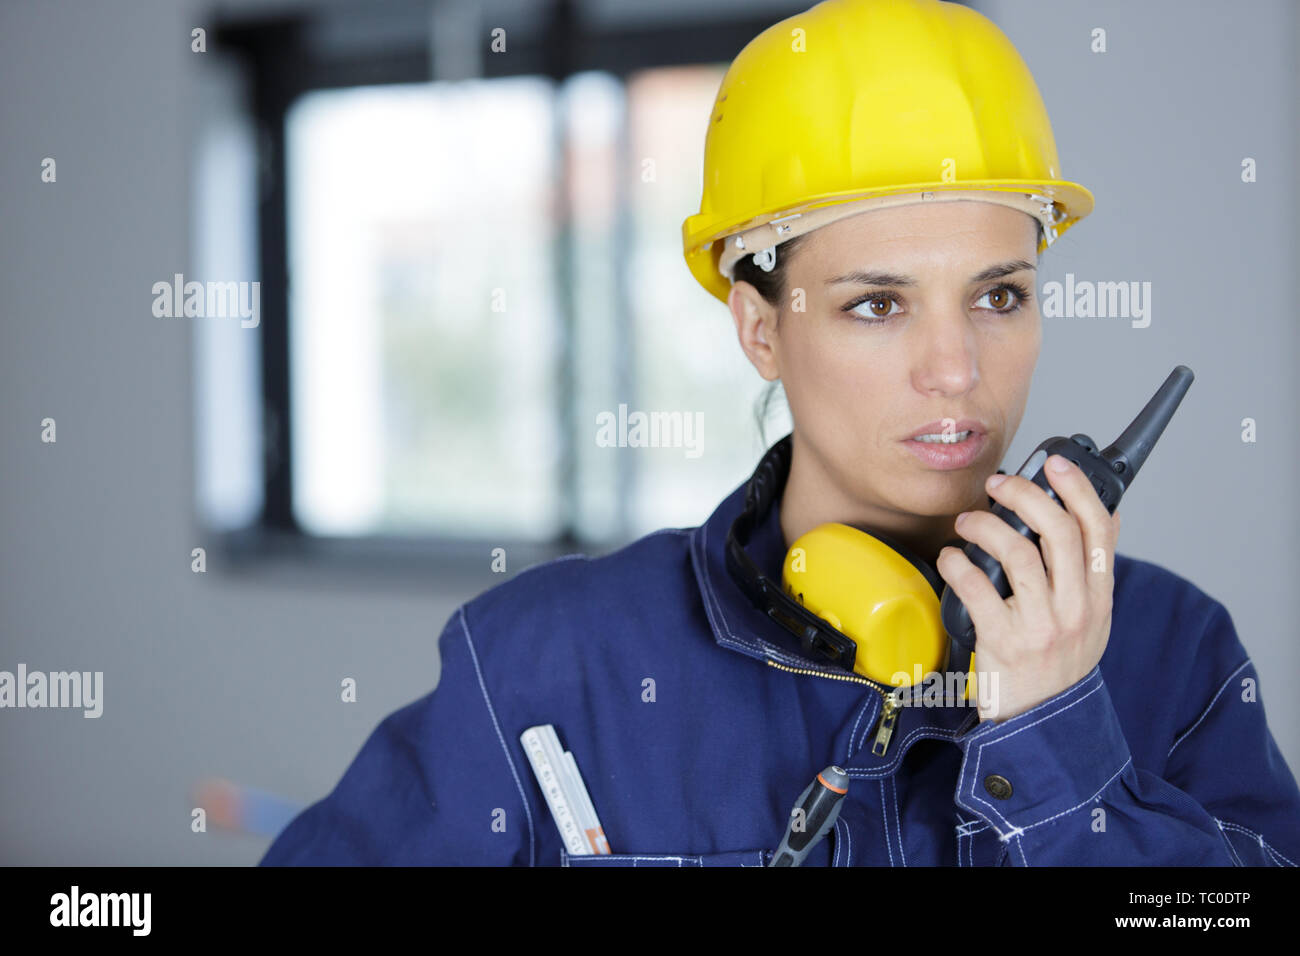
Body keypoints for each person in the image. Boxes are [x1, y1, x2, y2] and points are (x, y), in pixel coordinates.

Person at [261, 0, 1300, 866]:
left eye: (997, 294)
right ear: (760, 327)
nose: (956, 368)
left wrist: (1063, 743)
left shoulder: (1172, 654)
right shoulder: (544, 665)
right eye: (876, 304)